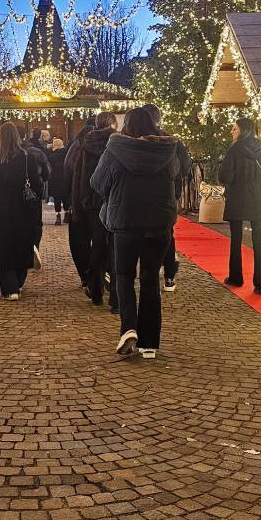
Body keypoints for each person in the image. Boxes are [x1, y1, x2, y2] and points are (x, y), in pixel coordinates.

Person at [91, 107, 181, 358]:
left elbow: (97, 183)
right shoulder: (167, 150)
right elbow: (177, 177)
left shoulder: (115, 149)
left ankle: (129, 327)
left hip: (125, 221)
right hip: (159, 223)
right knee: (151, 279)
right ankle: (150, 342)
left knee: (124, 276)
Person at [216, 117, 261, 294]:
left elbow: (224, 176)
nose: (232, 132)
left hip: (237, 196)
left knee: (236, 240)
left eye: (234, 129)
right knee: (258, 240)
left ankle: (236, 277)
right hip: (257, 197)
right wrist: (258, 180)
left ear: (243, 130)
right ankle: (260, 282)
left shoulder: (234, 149)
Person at [0, 123, 44, 300]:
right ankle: (19, 281)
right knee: (21, 243)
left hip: (0, 207)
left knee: (3, 246)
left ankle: (10, 288)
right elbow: (37, 184)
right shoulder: (26, 158)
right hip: (22, 206)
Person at [71, 113, 118, 308]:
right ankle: (116, 296)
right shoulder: (118, 145)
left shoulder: (85, 146)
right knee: (114, 248)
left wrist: (77, 202)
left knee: (97, 246)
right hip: (114, 201)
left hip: (90, 202)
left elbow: (77, 175)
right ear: (113, 124)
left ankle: (96, 289)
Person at [143, 104, 192, 292]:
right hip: (167, 193)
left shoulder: (135, 139)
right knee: (166, 233)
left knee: (140, 233)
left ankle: (146, 272)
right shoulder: (172, 141)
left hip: (142, 194)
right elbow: (185, 165)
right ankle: (169, 275)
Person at [64, 124, 94, 287]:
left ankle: (85, 275)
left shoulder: (74, 151)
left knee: (78, 242)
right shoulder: (105, 149)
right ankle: (98, 273)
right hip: (97, 203)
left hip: (76, 202)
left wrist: (67, 201)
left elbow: (66, 176)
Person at [48, 138, 70, 225]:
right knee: (66, 198)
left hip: (55, 180)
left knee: (57, 198)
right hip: (66, 179)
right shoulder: (68, 154)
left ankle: (58, 217)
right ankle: (67, 214)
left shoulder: (51, 157)